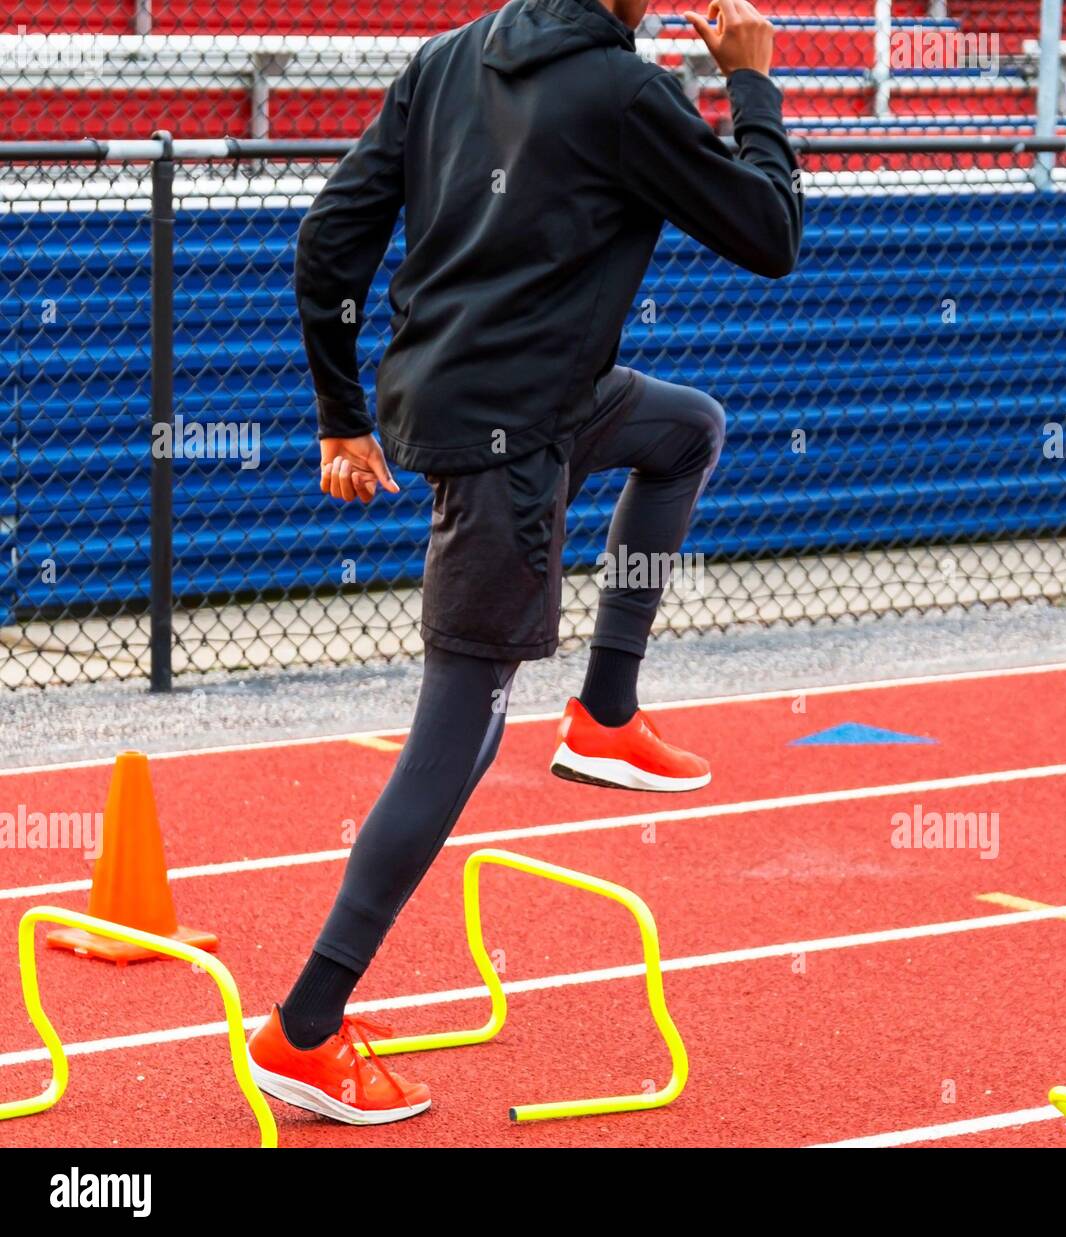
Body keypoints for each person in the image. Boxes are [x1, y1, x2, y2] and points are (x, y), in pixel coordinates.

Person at [247, 0, 802, 1123]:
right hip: (506, 439)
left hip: (533, 397)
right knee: (458, 732)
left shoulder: (449, 57)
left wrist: (341, 418)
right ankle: (305, 1027)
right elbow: (771, 233)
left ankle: (604, 709)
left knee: (684, 426)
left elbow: (328, 243)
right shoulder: (624, 89)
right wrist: (751, 85)